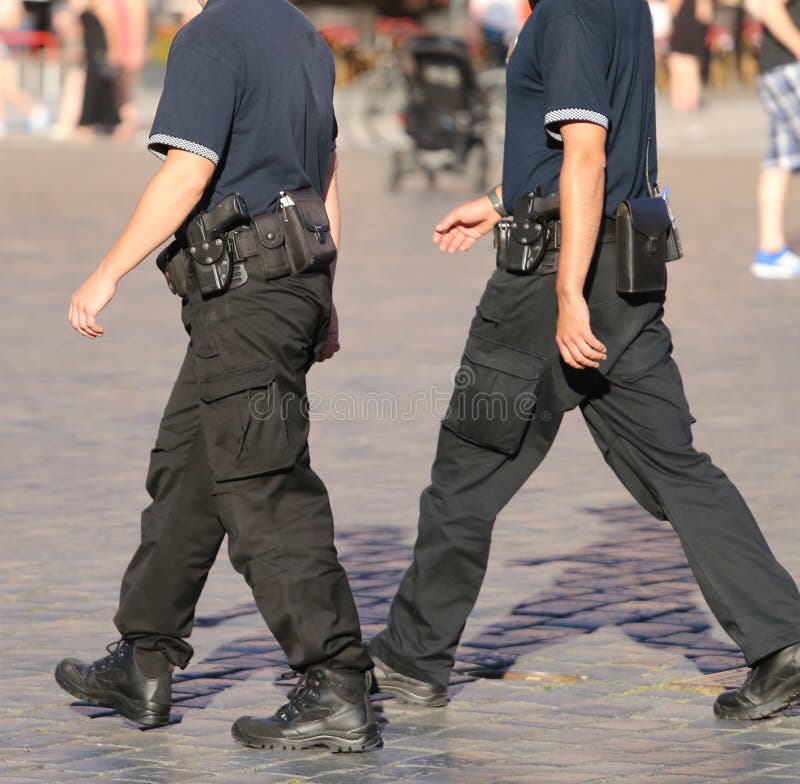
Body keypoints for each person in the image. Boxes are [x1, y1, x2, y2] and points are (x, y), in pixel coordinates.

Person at [368, 0, 800, 722]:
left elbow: (589, 151)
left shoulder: (565, 14)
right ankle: (784, 642)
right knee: (676, 466)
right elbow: (606, 138)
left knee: (466, 469)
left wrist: (567, 292)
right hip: (627, 272)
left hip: (551, 282)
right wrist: (499, 197)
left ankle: (412, 658)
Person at [54, 0, 380, 753]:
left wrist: (106, 274)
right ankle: (145, 659)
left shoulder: (208, 36)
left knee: (265, 490)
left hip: (248, 300)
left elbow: (188, 170)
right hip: (282, 287)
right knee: (186, 471)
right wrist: (325, 296)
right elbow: (325, 173)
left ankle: (334, 682)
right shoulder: (302, 33)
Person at [750, 0, 800, 279]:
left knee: (779, 159)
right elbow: (769, 7)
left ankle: (770, 251)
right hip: (790, 68)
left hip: (777, 67)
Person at [666, 0, 712, 112]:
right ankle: (692, 103)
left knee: (677, 67)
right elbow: (706, 15)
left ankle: (680, 103)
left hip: (680, 30)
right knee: (692, 68)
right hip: (695, 32)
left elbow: (670, 9)